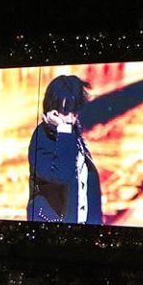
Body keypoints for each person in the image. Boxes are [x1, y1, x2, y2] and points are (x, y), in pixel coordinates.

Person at [27, 75, 101, 224]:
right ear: (52, 110)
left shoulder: (72, 135)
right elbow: (62, 175)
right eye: (65, 111)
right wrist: (64, 131)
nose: (70, 119)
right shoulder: (42, 139)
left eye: (74, 111)